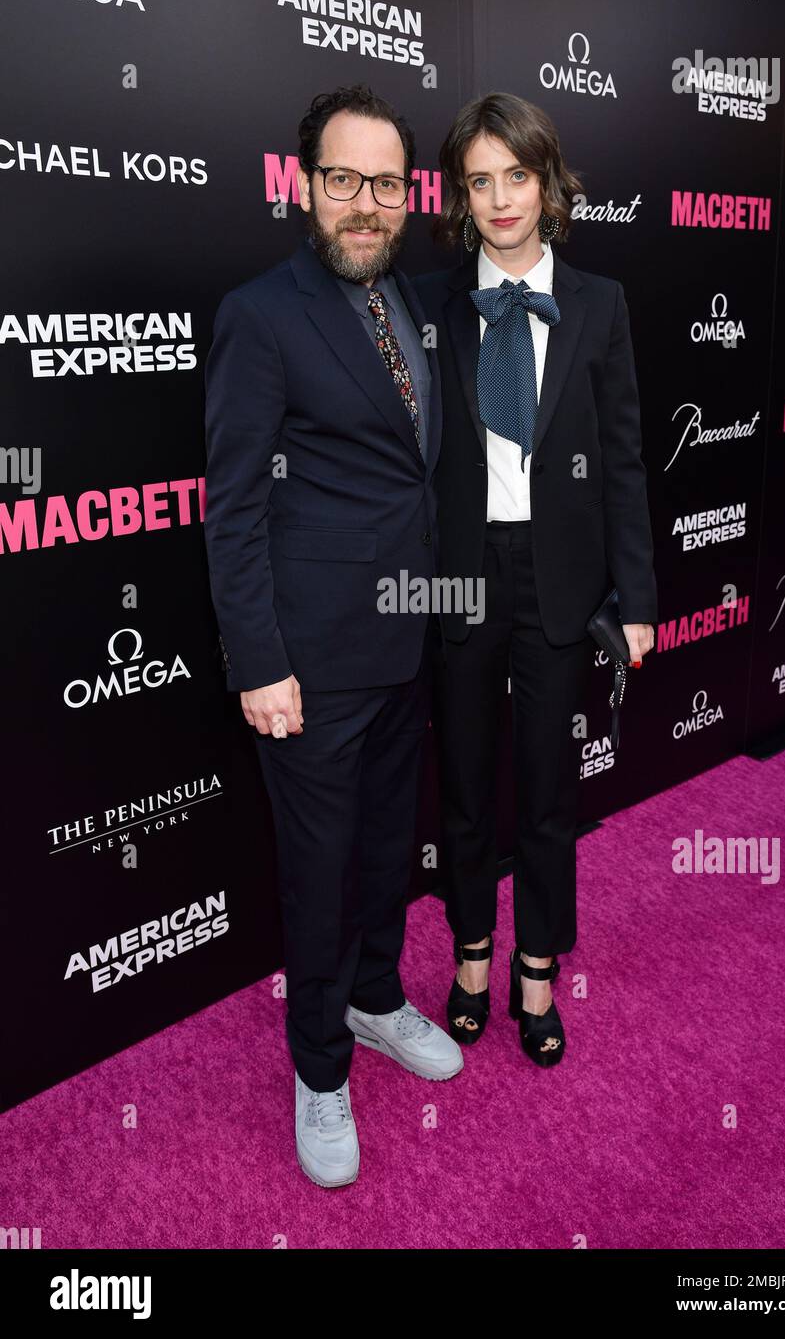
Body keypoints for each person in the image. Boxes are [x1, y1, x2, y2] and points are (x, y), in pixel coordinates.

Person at [203, 84, 462, 1190]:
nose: (366, 204)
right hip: (308, 665)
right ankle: (319, 1070)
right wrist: (260, 661)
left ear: (409, 196)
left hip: (407, 644)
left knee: (384, 850)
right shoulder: (263, 314)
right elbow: (234, 506)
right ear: (304, 186)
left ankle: (372, 997)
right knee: (316, 871)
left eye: (386, 184)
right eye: (344, 180)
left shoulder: (411, 301)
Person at [414, 92, 657, 1068]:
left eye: (518, 174)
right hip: (463, 578)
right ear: (461, 196)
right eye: (482, 179)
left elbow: (627, 457)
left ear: (547, 181)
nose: (502, 197)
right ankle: (472, 956)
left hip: (561, 579)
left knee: (549, 795)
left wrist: (637, 598)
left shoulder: (599, 303)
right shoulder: (433, 302)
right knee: (468, 790)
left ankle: (538, 968)